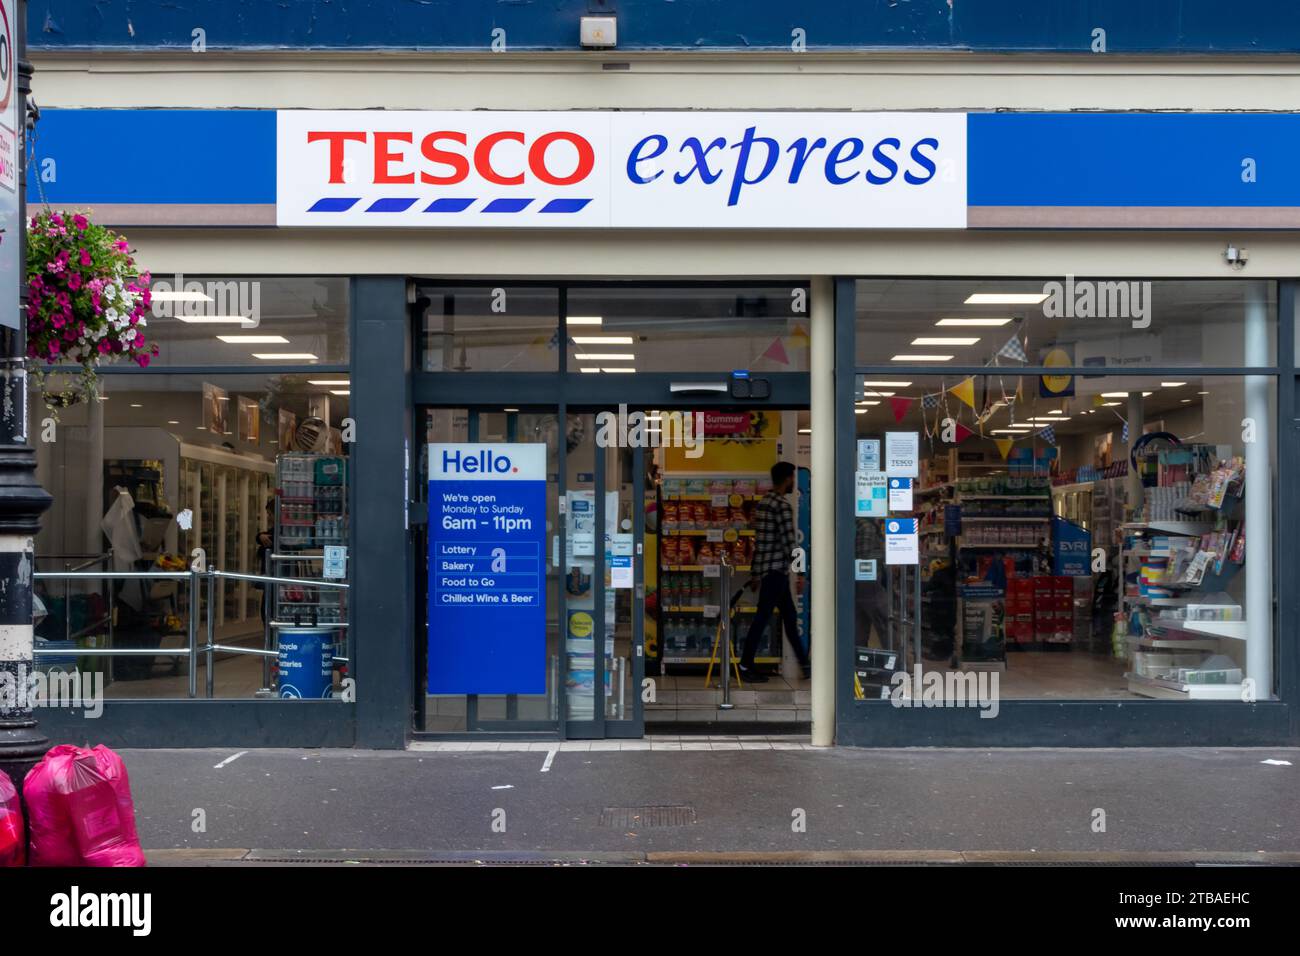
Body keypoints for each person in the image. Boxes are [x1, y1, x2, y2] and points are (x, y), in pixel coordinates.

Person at [739, 461, 810, 683]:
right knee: (764, 619)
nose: (793, 483)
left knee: (788, 618)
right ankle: (745, 664)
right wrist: (801, 573)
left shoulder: (763, 504)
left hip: (768, 572)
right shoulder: (782, 505)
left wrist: (755, 573)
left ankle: (804, 664)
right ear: (788, 478)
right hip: (776, 573)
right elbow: (790, 544)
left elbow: (761, 543)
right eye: (792, 478)